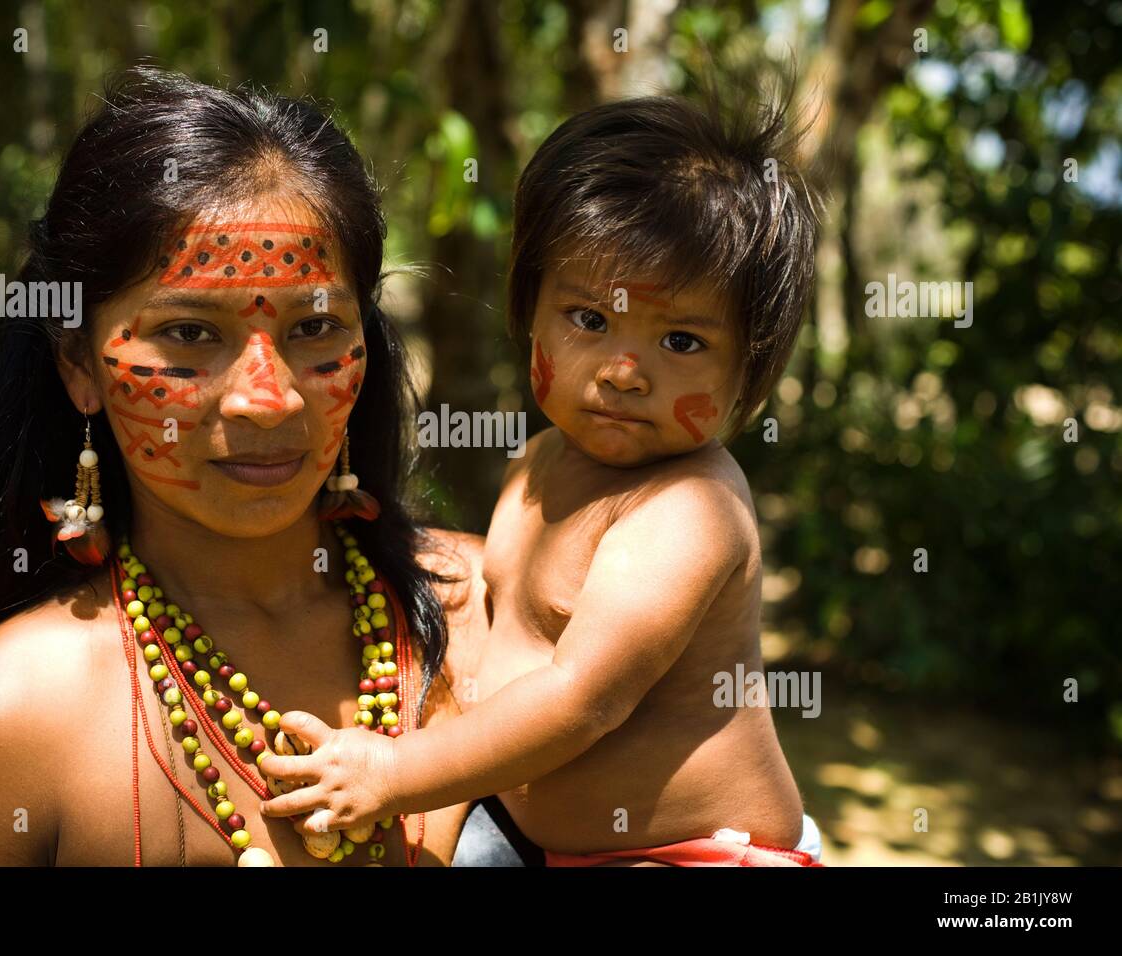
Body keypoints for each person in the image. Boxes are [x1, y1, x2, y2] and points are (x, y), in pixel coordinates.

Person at [0, 67, 488, 867]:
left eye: (313, 328)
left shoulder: (500, 614)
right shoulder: (3, 716)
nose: (268, 402)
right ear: (79, 365)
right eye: (191, 334)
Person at [259, 88, 827, 867]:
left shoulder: (690, 509)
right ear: (531, 315)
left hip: (694, 854)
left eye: (683, 342)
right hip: (536, 841)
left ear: (750, 375)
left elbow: (583, 698)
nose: (626, 372)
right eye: (590, 321)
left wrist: (392, 772)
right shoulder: (538, 462)